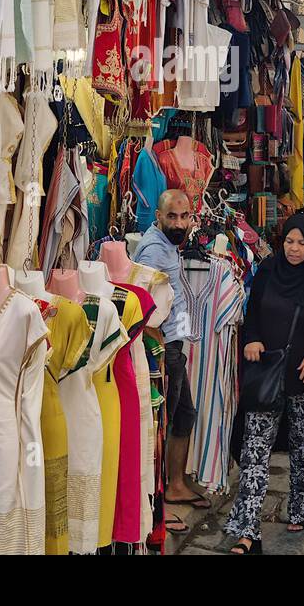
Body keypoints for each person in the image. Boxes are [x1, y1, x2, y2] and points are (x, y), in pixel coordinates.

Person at [225, 214, 304, 554]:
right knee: (254, 451)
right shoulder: (268, 272)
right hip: (267, 375)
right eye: (289, 241)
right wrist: (252, 340)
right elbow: (251, 314)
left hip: (303, 379)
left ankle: (301, 508)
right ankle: (246, 531)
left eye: (301, 242)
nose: (294, 249)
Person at [132, 188, 201, 531]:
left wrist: (185, 338)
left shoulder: (170, 247)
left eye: (183, 216)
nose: (178, 222)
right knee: (162, 425)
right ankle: (157, 505)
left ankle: (174, 484)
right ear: (158, 217)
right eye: (171, 216)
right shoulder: (154, 250)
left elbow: (177, 300)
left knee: (183, 414)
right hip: (163, 349)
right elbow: (146, 307)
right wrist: (166, 350)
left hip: (174, 344)